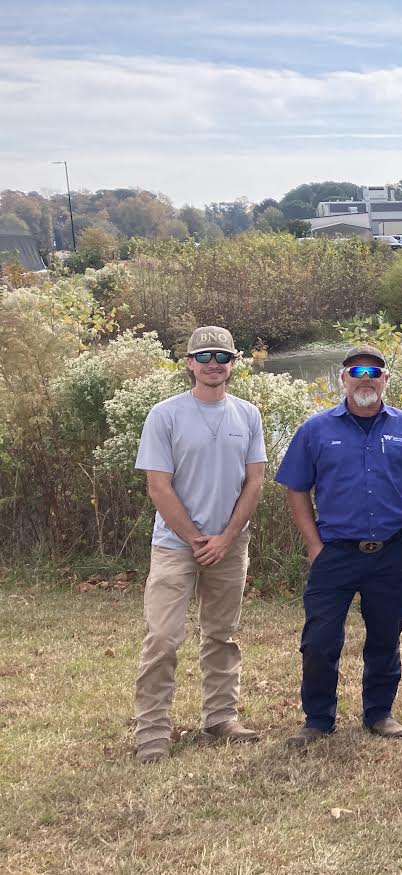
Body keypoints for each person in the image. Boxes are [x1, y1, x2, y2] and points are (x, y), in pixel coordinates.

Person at [277, 344, 402, 748]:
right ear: (343, 379)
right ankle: (318, 718)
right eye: (356, 373)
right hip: (334, 553)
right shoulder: (316, 430)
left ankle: (379, 713)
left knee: (385, 637)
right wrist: (314, 545)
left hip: (392, 552)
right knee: (319, 640)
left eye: (373, 373)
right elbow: (296, 489)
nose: (364, 380)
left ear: (386, 379)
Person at [132, 325, 266, 764]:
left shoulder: (248, 414)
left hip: (229, 545)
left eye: (221, 357)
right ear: (188, 363)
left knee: (222, 635)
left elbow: (255, 482)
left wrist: (226, 537)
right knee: (164, 639)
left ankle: (220, 717)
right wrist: (195, 538)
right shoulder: (165, 415)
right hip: (175, 545)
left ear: (233, 364)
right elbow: (158, 486)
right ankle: (152, 733)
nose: (213, 365)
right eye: (204, 357)